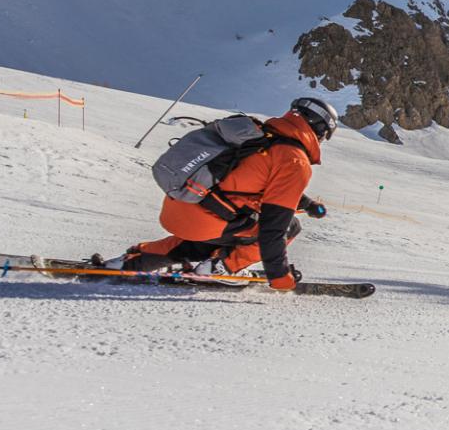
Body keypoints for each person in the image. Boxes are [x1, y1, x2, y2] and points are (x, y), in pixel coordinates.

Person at [107, 98, 339, 291]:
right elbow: (274, 228)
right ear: (319, 130)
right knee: (290, 226)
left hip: (178, 208)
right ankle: (222, 268)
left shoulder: (259, 138)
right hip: (207, 222)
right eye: (324, 136)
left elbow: (249, 179)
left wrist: (307, 204)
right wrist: (279, 276)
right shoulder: (295, 160)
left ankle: (132, 260)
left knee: (213, 236)